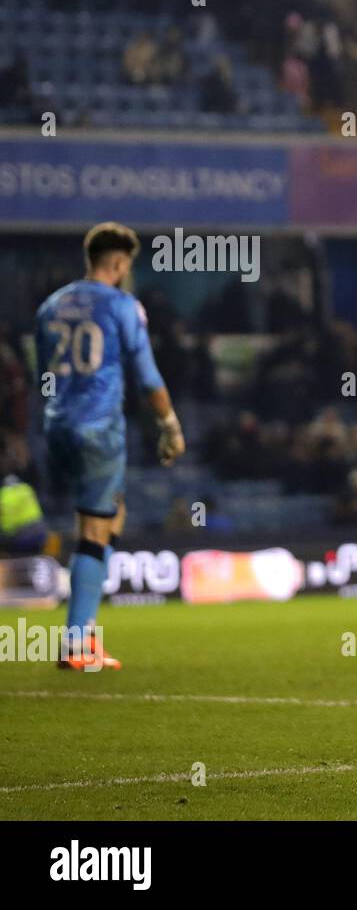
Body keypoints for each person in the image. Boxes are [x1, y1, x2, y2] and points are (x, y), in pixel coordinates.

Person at [35, 222, 186, 670]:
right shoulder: (123, 305)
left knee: (105, 516)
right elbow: (149, 377)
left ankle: (83, 628)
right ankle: (78, 643)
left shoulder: (51, 306)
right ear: (118, 263)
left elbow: (44, 373)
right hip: (99, 428)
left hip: (56, 425)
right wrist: (171, 426)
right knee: (96, 529)